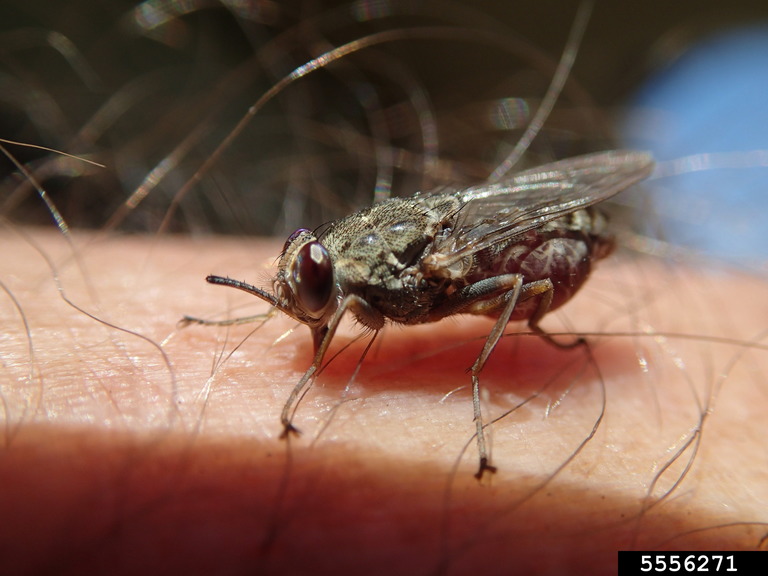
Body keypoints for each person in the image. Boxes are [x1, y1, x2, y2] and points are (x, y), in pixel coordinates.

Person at [1, 227, 765, 575]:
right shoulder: (340, 275)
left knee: (507, 287)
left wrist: (476, 383)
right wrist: (261, 305)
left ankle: (476, 384)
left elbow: (510, 283)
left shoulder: (397, 278)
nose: (306, 300)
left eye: (306, 288)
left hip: (548, 252)